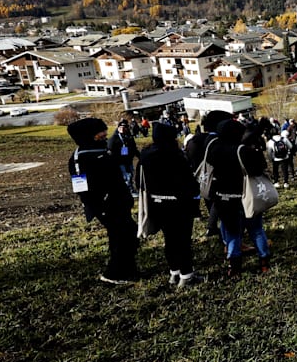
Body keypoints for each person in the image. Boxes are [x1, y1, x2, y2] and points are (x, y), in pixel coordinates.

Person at [67, 118, 139, 285]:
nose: (105, 136)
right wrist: (98, 206)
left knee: (129, 235)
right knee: (121, 238)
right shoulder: (80, 159)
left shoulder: (102, 150)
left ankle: (129, 269)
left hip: (120, 203)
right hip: (106, 206)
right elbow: (81, 188)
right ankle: (114, 273)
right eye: (101, 135)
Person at [136, 121, 204, 288]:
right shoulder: (176, 156)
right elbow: (188, 181)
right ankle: (186, 275)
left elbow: (139, 181)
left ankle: (174, 272)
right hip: (179, 205)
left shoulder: (145, 156)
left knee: (170, 240)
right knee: (183, 241)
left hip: (157, 204)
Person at [208, 119, 272, 276]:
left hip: (222, 198)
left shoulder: (213, 149)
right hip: (244, 197)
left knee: (232, 233)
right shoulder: (243, 151)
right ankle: (264, 262)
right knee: (256, 230)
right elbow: (259, 169)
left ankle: (234, 267)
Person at [185, 110, 233, 239]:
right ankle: (216, 229)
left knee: (210, 200)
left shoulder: (194, 140)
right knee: (219, 202)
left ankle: (214, 228)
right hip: (217, 176)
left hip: (201, 175)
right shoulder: (216, 141)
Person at [107, 120, 139, 194]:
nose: (122, 129)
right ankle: (129, 191)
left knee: (130, 175)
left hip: (128, 160)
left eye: (124, 127)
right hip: (120, 161)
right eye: (120, 127)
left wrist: (140, 156)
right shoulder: (113, 138)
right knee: (125, 177)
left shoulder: (129, 137)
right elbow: (109, 150)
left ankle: (130, 189)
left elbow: (134, 148)